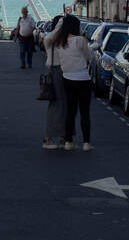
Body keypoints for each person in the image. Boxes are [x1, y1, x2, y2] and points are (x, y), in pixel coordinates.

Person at [46, 14, 94, 151]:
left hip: (67, 79)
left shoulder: (59, 43)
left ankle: (68, 141)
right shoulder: (80, 40)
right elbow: (88, 57)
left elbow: (49, 39)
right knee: (84, 112)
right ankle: (86, 143)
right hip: (83, 79)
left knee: (70, 111)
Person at [40, 14, 66, 149]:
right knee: (55, 106)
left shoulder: (65, 40)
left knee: (65, 106)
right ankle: (48, 137)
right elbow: (49, 37)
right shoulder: (50, 41)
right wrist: (60, 24)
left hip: (66, 73)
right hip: (55, 73)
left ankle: (63, 136)